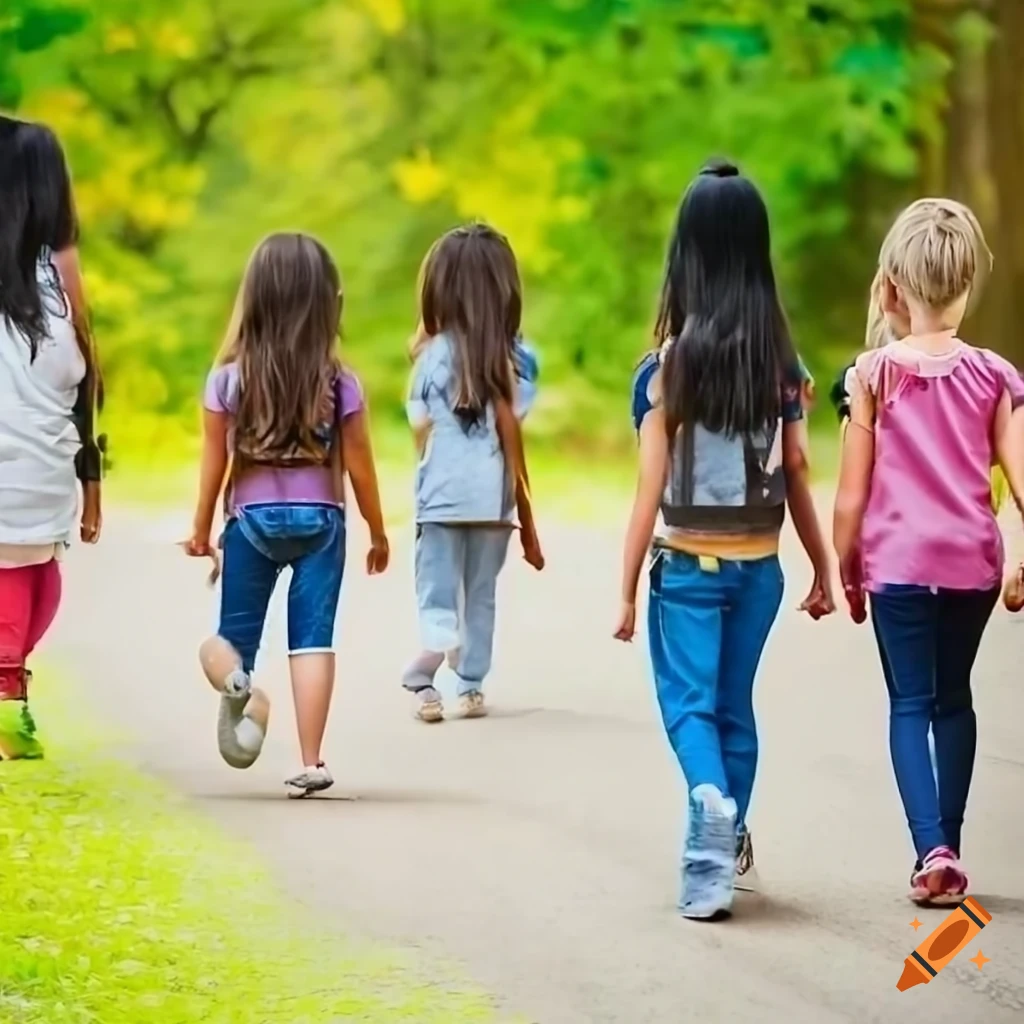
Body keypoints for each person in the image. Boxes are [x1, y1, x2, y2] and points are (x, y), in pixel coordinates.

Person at [615, 160, 834, 920]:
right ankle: (721, 849)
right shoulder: (783, 368)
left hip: (686, 566)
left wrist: (624, 590)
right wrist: (824, 568)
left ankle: (709, 800)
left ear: (686, 256)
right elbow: (797, 468)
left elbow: (649, 487)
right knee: (734, 706)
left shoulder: (663, 372)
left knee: (688, 706)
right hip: (760, 570)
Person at [833, 198, 1024, 905]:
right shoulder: (997, 376)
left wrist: (845, 569)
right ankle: (952, 846)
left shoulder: (871, 375)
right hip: (972, 565)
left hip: (899, 568)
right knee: (954, 698)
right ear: (966, 284)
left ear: (891, 287)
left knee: (910, 703)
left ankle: (930, 850)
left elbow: (851, 498)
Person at [184, 232, 389, 798]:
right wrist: (377, 531)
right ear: (329, 304)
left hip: (249, 522)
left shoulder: (228, 380)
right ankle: (311, 761)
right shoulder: (340, 382)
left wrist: (200, 529)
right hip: (322, 522)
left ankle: (239, 682)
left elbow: (214, 463)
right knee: (313, 640)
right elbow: (361, 467)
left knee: (226, 643)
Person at [402, 223, 544, 724]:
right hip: (493, 503)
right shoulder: (521, 360)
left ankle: (426, 670)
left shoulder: (431, 357)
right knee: (480, 594)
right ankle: (469, 684)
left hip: (440, 499)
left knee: (437, 590)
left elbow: (418, 423)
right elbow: (515, 425)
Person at [0, 118, 102, 759]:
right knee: (23, 577)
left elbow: (80, 377)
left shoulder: (50, 279)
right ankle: (8, 697)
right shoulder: (56, 282)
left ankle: (9, 686)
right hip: (29, 474)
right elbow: (81, 368)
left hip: (43, 473)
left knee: (38, 583)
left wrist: (92, 479)